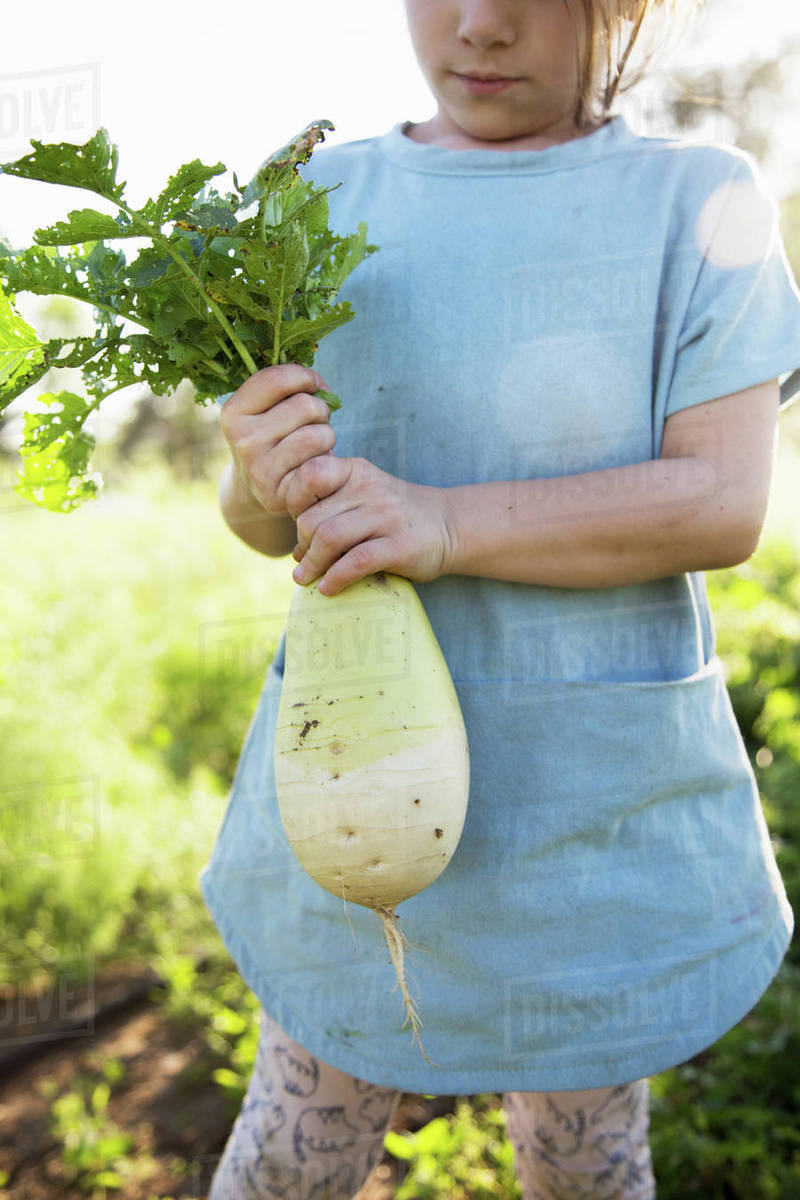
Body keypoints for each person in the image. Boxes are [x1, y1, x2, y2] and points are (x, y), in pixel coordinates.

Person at [200, 1, 800, 1196]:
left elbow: (718, 501)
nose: (478, 27)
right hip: (354, 780)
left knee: (580, 1170)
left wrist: (446, 525)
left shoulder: (698, 200)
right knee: (288, 1162)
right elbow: (271, 526)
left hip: (586, 803)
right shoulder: (314, 195)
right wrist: (256, 474)